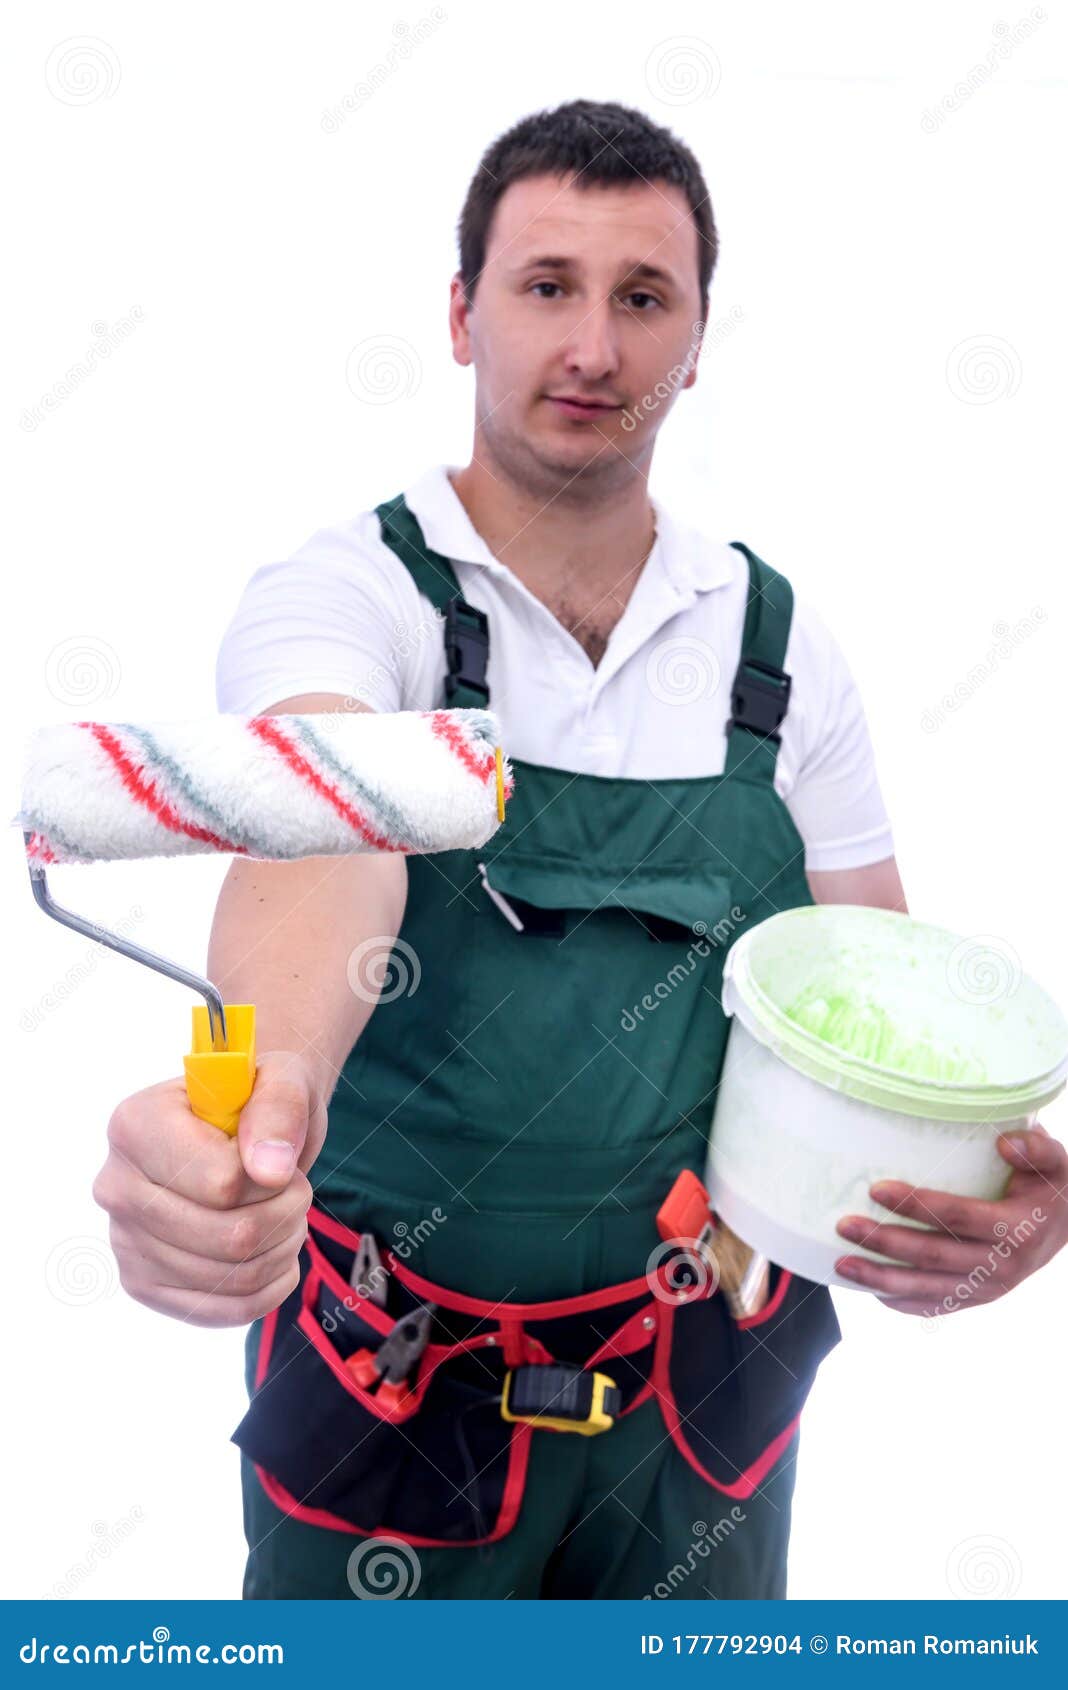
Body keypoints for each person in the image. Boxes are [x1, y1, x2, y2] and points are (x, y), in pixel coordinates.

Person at [92, 99, 1068, 1601]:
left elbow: (874, 989)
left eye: (642, 297)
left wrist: (981, 1195)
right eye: (546, 286)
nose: (593, 348)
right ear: (463, 313)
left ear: (696, 339)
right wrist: (272, 1085)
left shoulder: (780, 650)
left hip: (701, 1409)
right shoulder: (354, 602)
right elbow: (325, 825)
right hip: (394, 1399)